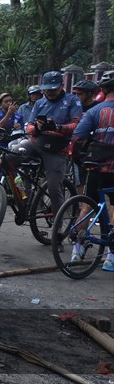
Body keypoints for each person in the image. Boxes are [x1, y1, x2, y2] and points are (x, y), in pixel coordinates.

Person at [19, 70, 82, 214]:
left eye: (54, 89)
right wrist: (36, 128)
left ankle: (58, 227)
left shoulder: (72, 101)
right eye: (47, 89)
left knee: (54, 188)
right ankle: (15, 194)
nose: (50, 92)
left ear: (62, 85)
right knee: (9, 156)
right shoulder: (40, 103)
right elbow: (28, 125)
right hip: (37, 141)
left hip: (58, 148)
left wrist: (58, 127)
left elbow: (76, 125)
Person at [69, 70, 114, 270]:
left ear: (103, 90)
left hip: (94, 165)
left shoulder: (95, 111)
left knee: (87, 205)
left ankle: (77, 250)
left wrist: (80, 158)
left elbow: (77, 136)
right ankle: (111, 257)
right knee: (113, 206)